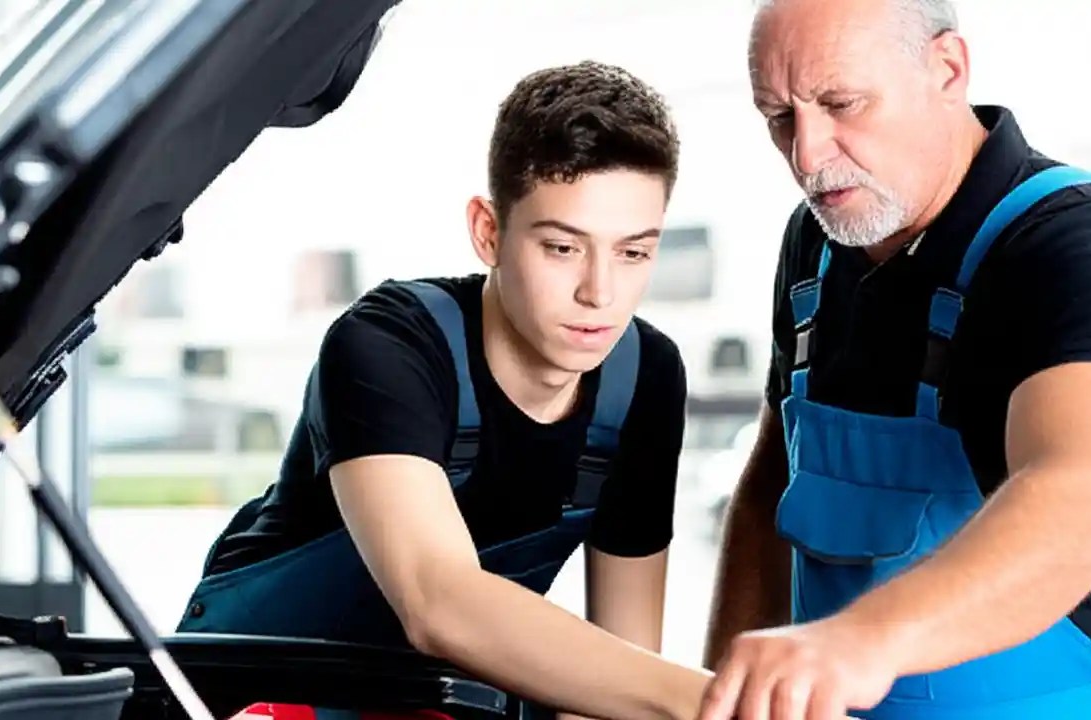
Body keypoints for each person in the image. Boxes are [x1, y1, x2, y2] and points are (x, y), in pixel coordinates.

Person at [700, 0, 1091, 718]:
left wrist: (858, 643)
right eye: (779, 116)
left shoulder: (1083, 244)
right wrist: (720, 693)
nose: (806, 154)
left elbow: (1081, 506)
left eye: (841, 103)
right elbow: (770, 489)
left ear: (947, 68)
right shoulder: (816, 241)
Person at [176, 60, 711, 720]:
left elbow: (626, 673)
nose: (600, 293)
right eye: (562, 248)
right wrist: (720, 701)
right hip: (243, 701)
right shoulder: (388, 346)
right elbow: (439, 601)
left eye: (633, 253)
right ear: (489, 232)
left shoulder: (644, 378)